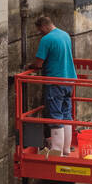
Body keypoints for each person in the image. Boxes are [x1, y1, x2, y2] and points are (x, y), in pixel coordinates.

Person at [28, 13, 76, 155]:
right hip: (69, 80)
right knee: (66, 114)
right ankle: (66, 149)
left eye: (40, 30)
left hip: (55, 82)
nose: (39, 34)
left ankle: (57, 151)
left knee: (55, 115)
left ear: (43, 26)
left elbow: (39, 62)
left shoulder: (46, 39)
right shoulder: (65, 35)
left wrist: (30, 66)